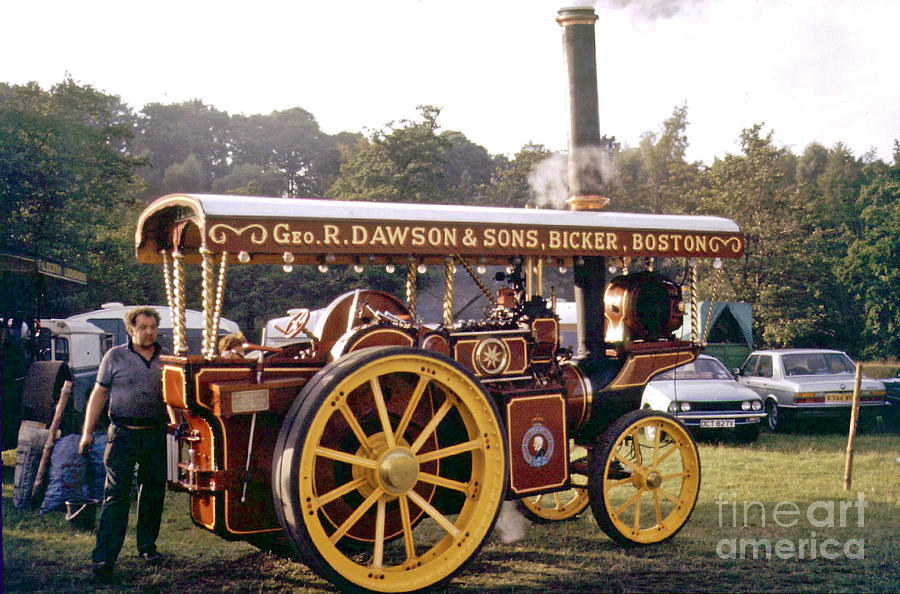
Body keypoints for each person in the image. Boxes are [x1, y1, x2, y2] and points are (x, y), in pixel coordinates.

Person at [79, 307, 174, 583]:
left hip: (155, 434)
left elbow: (174, 398)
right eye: (143, 327)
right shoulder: (114, 356)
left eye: (153, 328)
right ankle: (104, 559)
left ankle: (147, 547)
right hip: (121, 434)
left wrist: (178, 425)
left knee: (153, 493)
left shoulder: (166, 358)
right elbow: (99, 393)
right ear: (131, 329)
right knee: (116, 496)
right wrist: (87, 432)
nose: (148, 333)